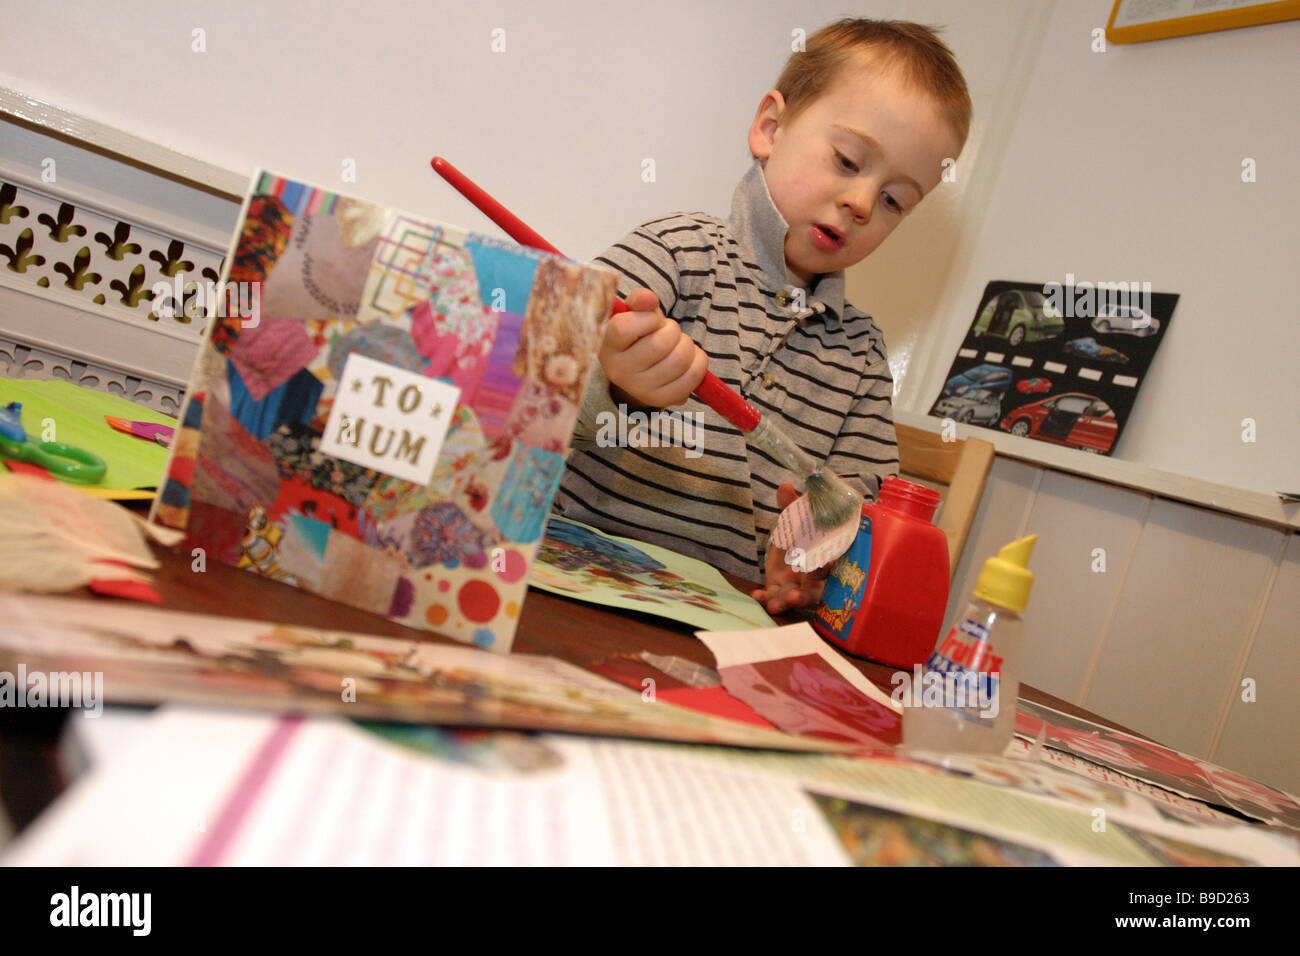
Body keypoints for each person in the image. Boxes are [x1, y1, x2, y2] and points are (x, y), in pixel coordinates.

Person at [555, 18, 971, 613]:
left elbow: (859, 514)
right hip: (574, 577)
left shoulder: (860, 353)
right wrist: (613, 384)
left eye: (893, 201)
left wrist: (820, 561)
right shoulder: (675, 249)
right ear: (770, 128)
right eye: (849, 161)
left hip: (726, 619)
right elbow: (529, 395)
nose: (860, 202)